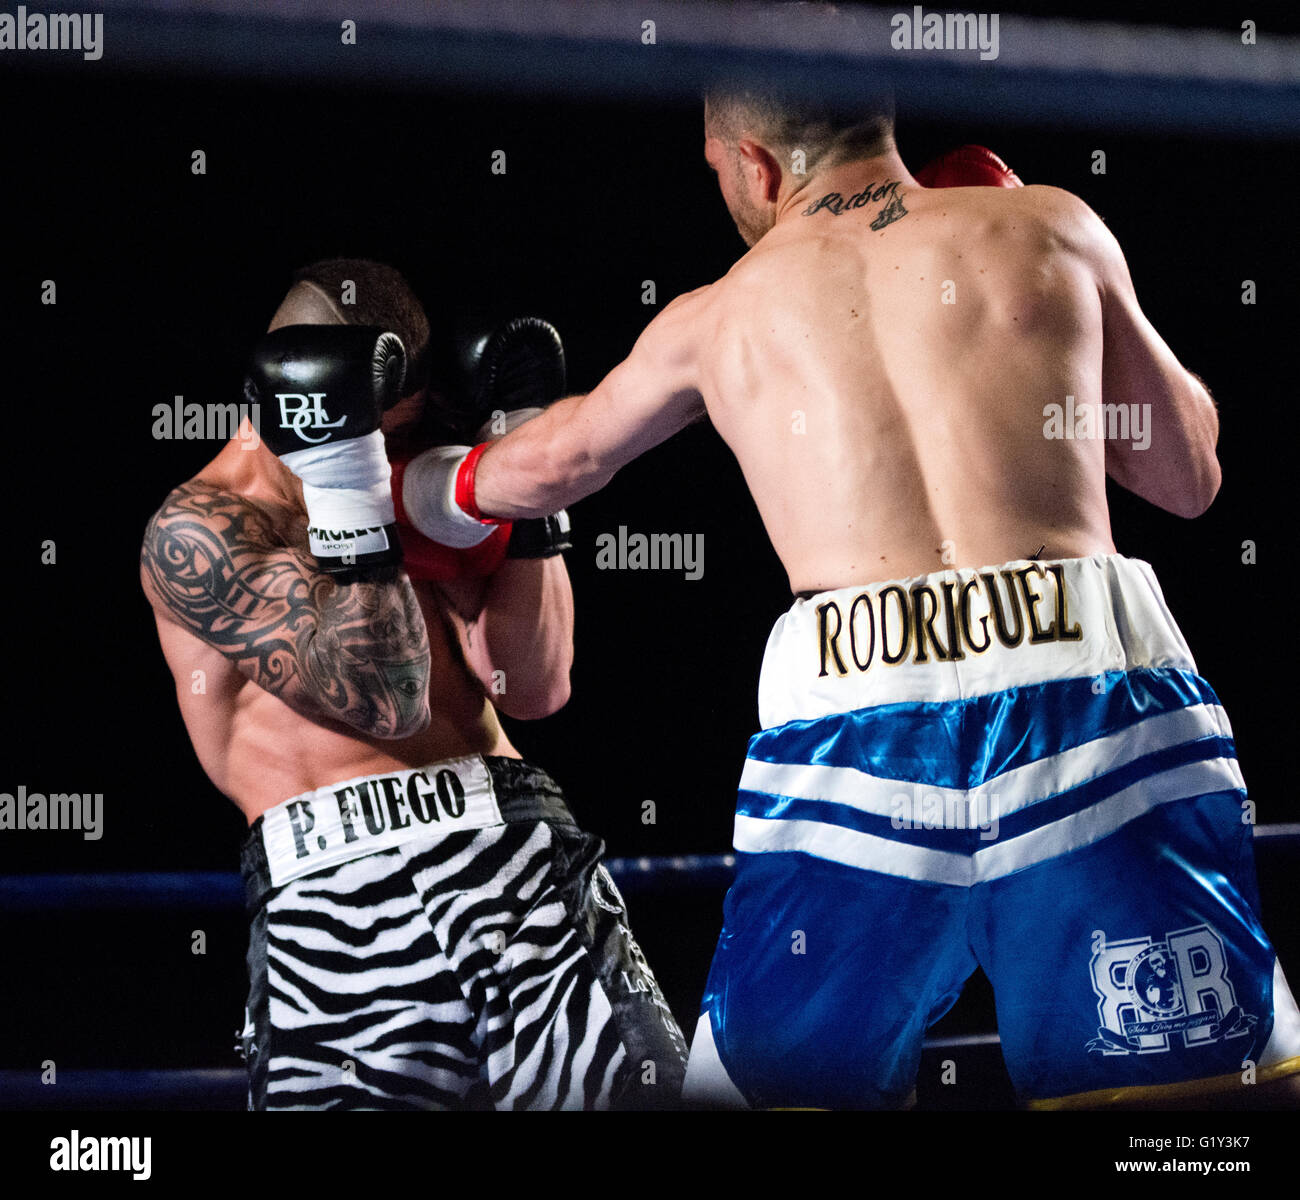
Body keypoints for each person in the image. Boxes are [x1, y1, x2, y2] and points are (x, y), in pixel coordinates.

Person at [402, 84, 1300, 1110]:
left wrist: (403, 485)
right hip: (1089, 692)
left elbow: (547, 468)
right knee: (1193, 1123)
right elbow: (1189, 474)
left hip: (852, 748)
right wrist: (1052, 286)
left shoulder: (718, 316)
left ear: (754, 163)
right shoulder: (1046, 224)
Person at [139, 258, 687, 1110]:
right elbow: (386, 699)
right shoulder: (200, 529)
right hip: (335, 905)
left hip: (513, 848)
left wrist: (525, 488)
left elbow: (537, 684)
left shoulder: (418, 471)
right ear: (294, 402)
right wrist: (345, 483)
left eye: (396, 430)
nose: (389, 455)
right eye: (369, 433)